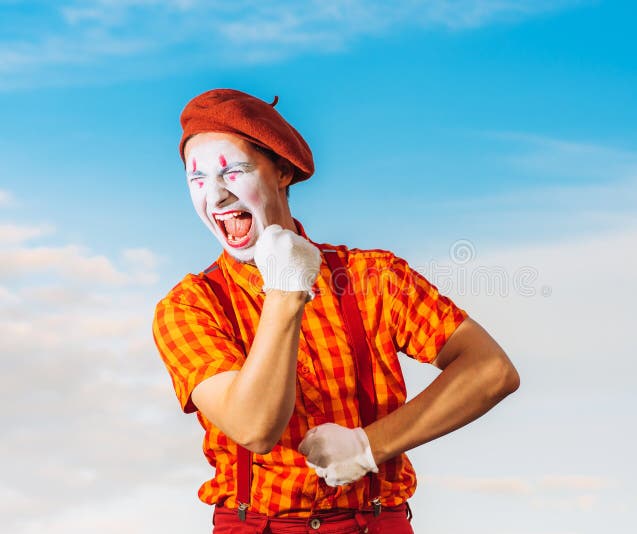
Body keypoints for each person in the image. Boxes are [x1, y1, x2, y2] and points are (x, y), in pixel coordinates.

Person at [153, 88, 519, 533]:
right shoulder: (189, 306)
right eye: (198, 180)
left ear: (282, 171)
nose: (217, 196)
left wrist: (369, 445)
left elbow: (492, 370)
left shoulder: (375, 277)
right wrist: (285, 292)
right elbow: (254, 427)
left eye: (234, 172)